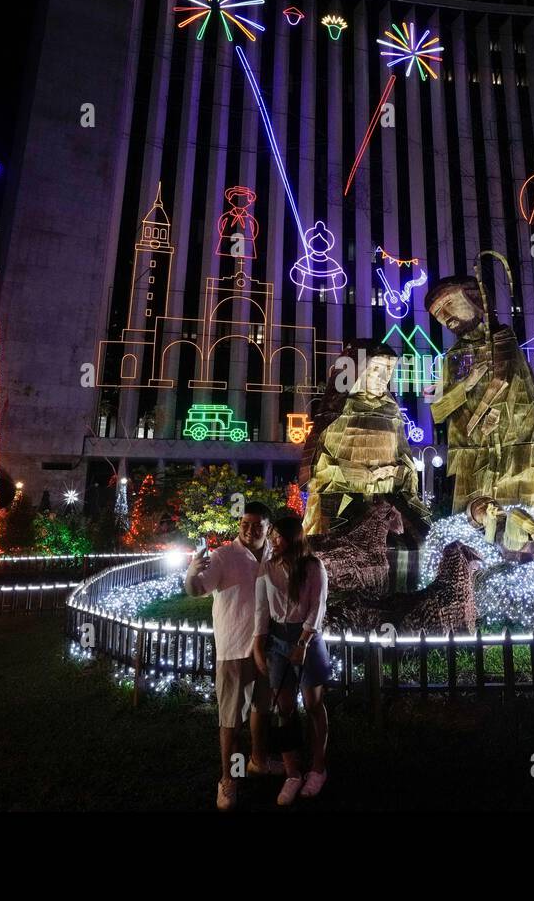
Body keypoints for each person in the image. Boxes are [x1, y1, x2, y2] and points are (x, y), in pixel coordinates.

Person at [424, 275, 534, 523]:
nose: (444, 317)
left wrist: (493, 413)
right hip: (472, 450)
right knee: (477, 515)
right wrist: (466, 385)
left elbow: (512, 383)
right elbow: (437, 410)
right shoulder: (451, 357)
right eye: (437, 313)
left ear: (473, 297)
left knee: (528, 508)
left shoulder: (504, 338)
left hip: (517, 443)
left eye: (448, 303)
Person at [183, 501, 282, 810]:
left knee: (261, 710)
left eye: (257, 525)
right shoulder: (223, 556)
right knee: (230, 719)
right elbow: (197, 589)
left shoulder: (274, 556)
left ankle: (258, 761)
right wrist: (190, 573)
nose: (250, 529)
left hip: (265, 650)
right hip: (233, 648)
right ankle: (228, 779)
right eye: (245, 523)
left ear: (268, 528)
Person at [300, 339, 430, 541]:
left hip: (389, 503)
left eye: (389, 370)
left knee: (416, 541)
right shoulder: (339, 410)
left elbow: (406, 460)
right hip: (346, 506)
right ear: (357, 370)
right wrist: (362, 475)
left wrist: (397, 471)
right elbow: (320, 465)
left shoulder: (392, 411)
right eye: (376, 368)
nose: (384, 377)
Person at [252, 515, 332, 805]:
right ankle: (292, 773)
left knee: (313, 704)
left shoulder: (313, 567)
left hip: (306, 637)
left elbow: (317, 606)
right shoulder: (268, 568)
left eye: (278, 536)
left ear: (293, 538)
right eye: (272, 535)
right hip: (278, 640)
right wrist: (259, 646)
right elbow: (262, 610)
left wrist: (303, 642)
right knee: (284, 708)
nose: (274, 541)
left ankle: (318, 768)